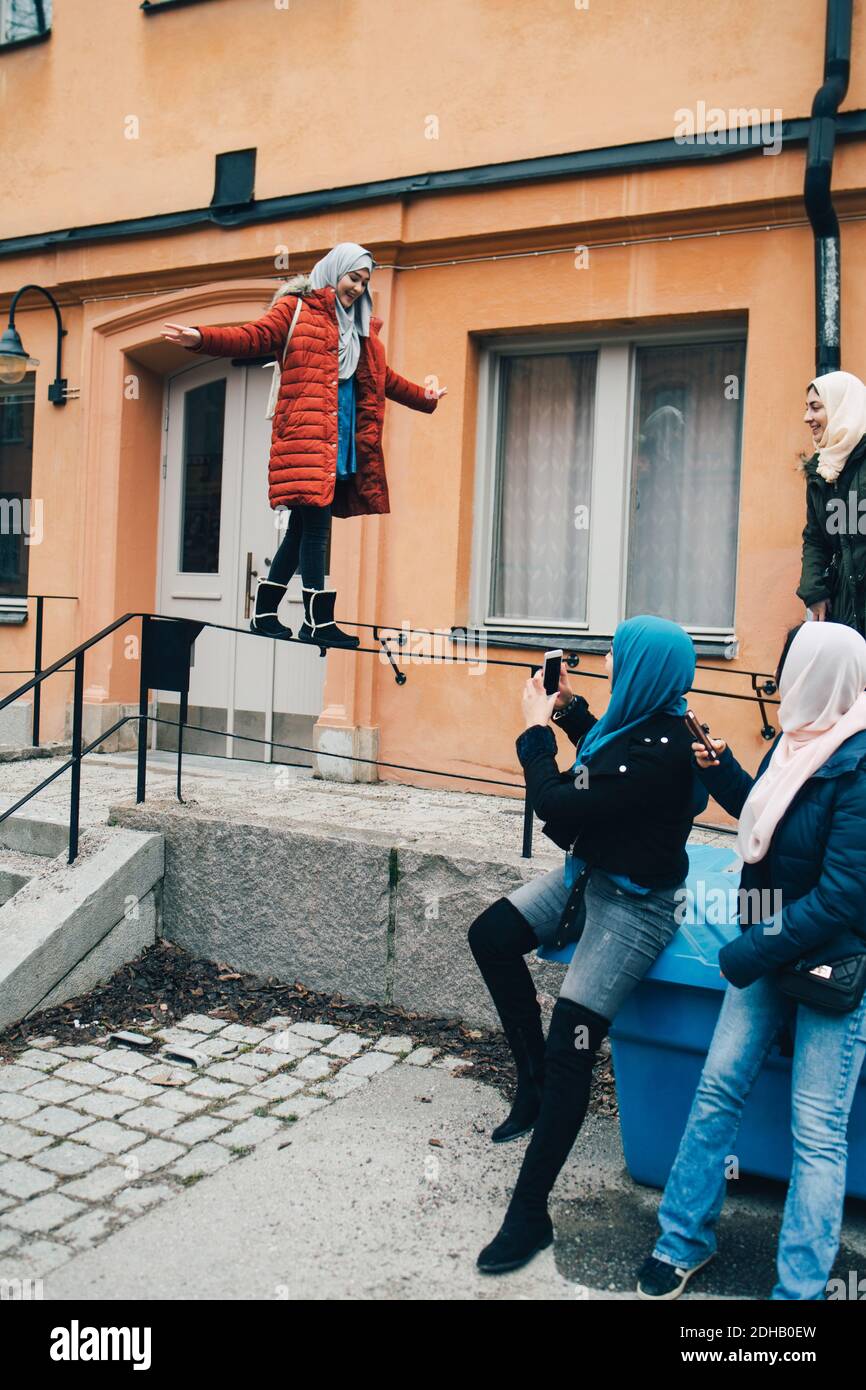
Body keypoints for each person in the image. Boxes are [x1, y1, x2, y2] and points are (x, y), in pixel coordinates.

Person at [468, 615, 708, 1274]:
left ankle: (528, 1216)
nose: (607, 656)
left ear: (644, 669)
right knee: (491, 935)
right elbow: (606, 745)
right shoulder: (648, 717)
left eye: (618, 652)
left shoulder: (665, 751)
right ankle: (534, 1087)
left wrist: (534, 729)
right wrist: (570, 708)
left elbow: (562, 802)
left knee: (573, 1043)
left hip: (635, 910)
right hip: (592, 876)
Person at [637, 620, 866, 1302]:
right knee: (716, 1094)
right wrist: (727, 773)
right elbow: (766, 830)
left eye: (792, 665)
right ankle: (682, 1241)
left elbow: (844, 895)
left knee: (818, 1132)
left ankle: (797, 1293)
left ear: (818, 676)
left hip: (830, 967)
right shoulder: (797, 740)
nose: (783, 678)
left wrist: (750, 949)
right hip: (769, 948)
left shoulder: (856, 762)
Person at [163, 243, 446, 648]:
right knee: (316, 530)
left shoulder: (362, 330)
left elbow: (385, 379)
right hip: (308, 438)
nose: (357, 288)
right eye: (353, 277)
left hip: (342, 440)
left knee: (300, 530)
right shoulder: (297, 310)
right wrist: (199, 339)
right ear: (334, 272)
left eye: (364, 282)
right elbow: (251, 337)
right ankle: (317, 621)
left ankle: (264, 612)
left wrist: (426, 398)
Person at [797, 370, 866, 634]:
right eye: (807, 408)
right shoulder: (821, 470)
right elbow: (815, 538)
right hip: (843, 609)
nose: (807, 418)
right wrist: (813, 590)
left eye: (816, 407)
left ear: (842, 407)